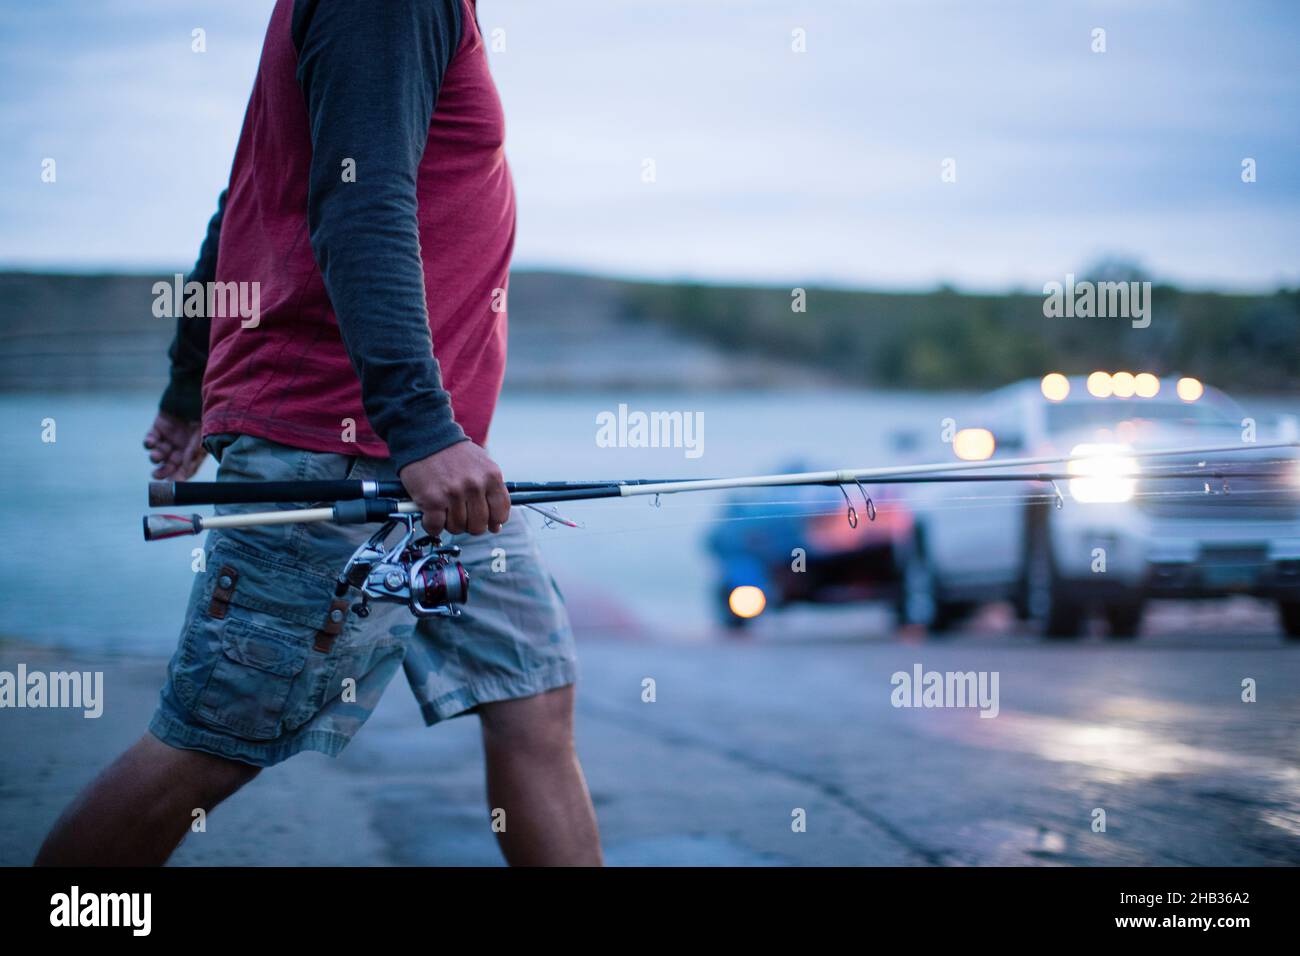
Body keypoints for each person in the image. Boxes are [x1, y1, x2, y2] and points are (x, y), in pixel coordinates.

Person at [36, 0, 601, 867]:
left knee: (533, 694)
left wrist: (190, 383)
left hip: (433, 469)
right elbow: (358, 199)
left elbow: (243, 207)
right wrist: (419, 428)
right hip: (344, 451)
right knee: (209, 746)